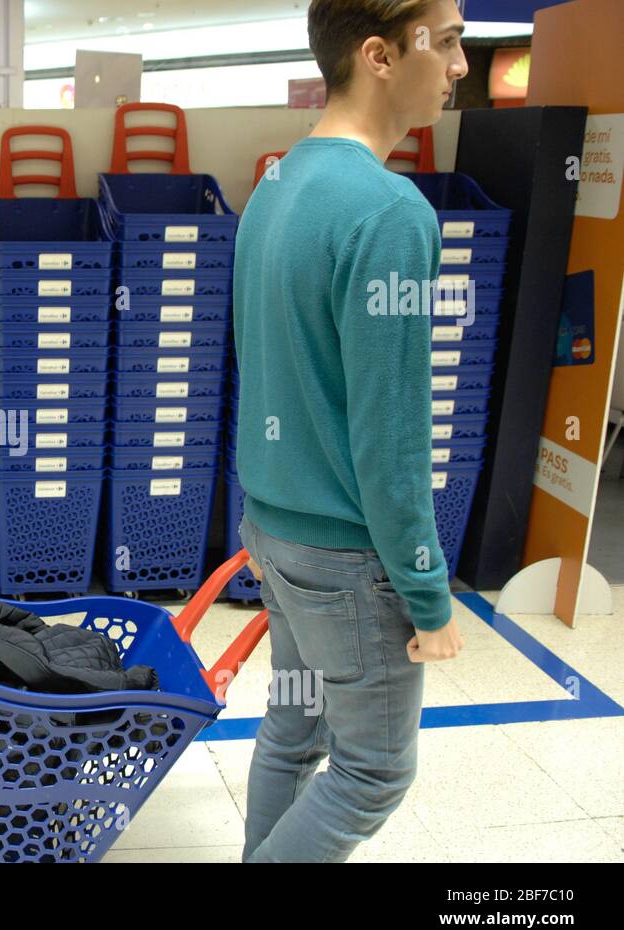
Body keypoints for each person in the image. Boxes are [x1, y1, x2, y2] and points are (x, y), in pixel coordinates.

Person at [232, 0, 468, 862]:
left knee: (294, 734)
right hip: (348, 560)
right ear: (378, 53)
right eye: (445, 43)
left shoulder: (277, 181)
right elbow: (392, 435)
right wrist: (427, 591)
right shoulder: (388, 213)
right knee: (372, 770)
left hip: (276, 533)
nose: (459, 66)